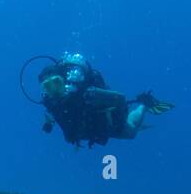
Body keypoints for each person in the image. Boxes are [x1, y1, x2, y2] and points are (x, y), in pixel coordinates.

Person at [37, 52, 172, 147]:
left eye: (56, 83)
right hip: (85, 132)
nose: (53, 90)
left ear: (64, 81)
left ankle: (144, 103)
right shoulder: (50, 102)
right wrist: (49, 123)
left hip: (105, 124)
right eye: (48, 86)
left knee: (130, 132)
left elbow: (120, 98)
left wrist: (118, 121)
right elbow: (56, 114)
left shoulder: (87, 92)